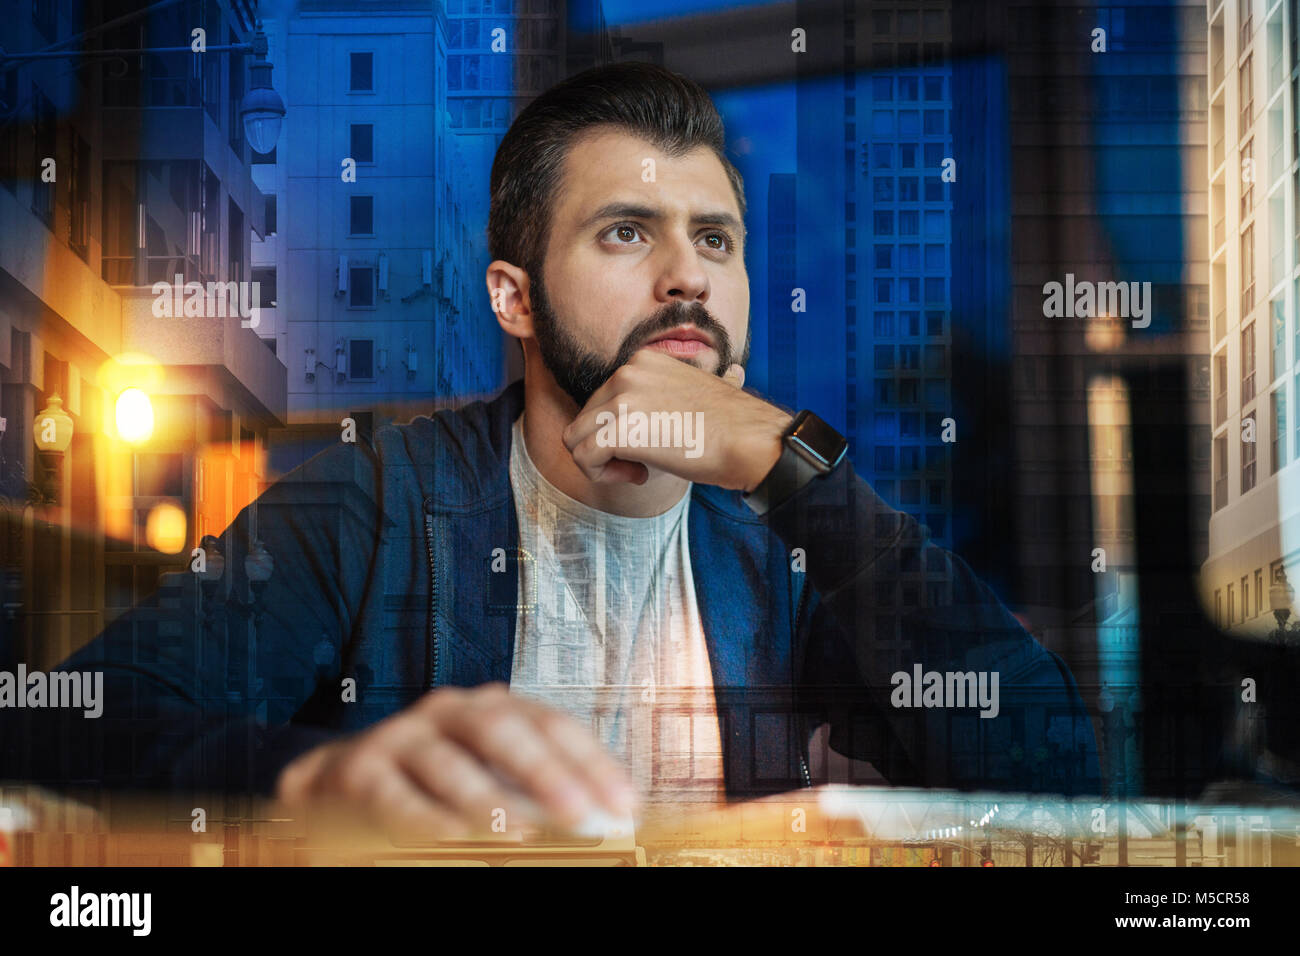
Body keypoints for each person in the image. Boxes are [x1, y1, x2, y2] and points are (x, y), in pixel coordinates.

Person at [1, 62, 1098, 838]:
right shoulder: (374, 502)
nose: (688, 275)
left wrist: (797, 464)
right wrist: (321, 780)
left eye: (715, 238)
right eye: (627, 230)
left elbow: (1051, 772)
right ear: (512, 298)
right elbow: (71, 724)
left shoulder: (783, 549)